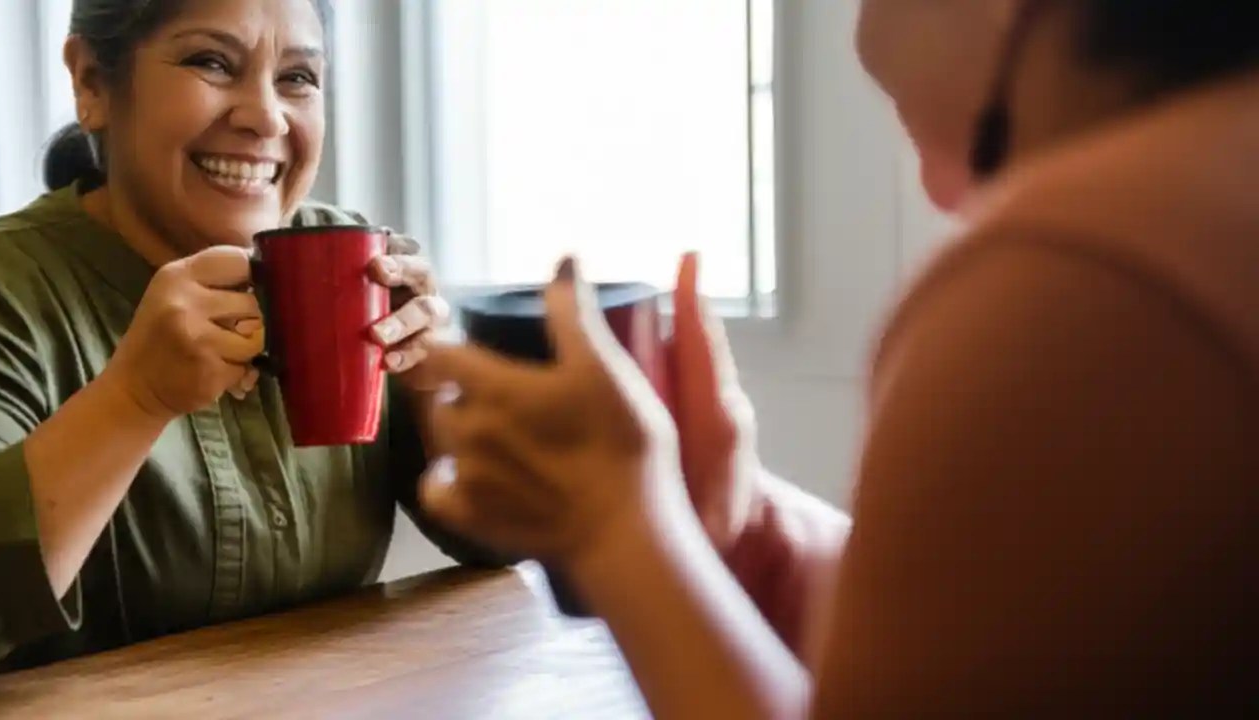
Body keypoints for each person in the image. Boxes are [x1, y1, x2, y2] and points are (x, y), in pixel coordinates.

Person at [420, 0, 1259, 716]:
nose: (949, 201)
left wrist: (617, 526)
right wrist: (749, 537)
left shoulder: (1088, 268)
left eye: (988, 147)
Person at [0, 0, 496, 675]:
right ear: (92, 83)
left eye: (297, 79)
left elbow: (508, 540)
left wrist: (438, 391)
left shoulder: (356, 264)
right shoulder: (0, 288)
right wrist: (135, 400)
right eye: (211, 62)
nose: (266, 117)